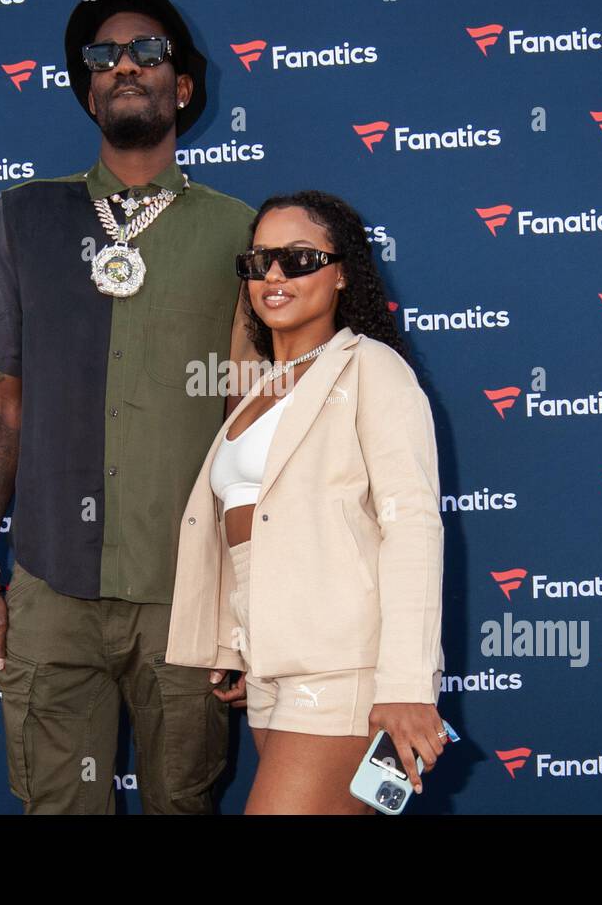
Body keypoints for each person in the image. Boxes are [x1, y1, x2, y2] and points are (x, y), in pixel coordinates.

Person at [0, 0, 260, 814]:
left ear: (184, 86)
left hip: (188, 597)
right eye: (103, 57)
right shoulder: (22, 218)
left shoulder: (241, 234)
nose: (125, 64)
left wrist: (247, 601)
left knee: (182, 801)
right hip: (51, 593)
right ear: (88, 89)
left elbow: (259, 428)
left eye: (148, 52)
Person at [166, 190, 448, 813]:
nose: (272, 275)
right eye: (258, 260)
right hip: (271, 670)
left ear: (343, 270)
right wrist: (242, 642)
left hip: (345, 670)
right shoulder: (257, 393)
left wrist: (405, 683)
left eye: (297, 259)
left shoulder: (372, 369)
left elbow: (413, 527)